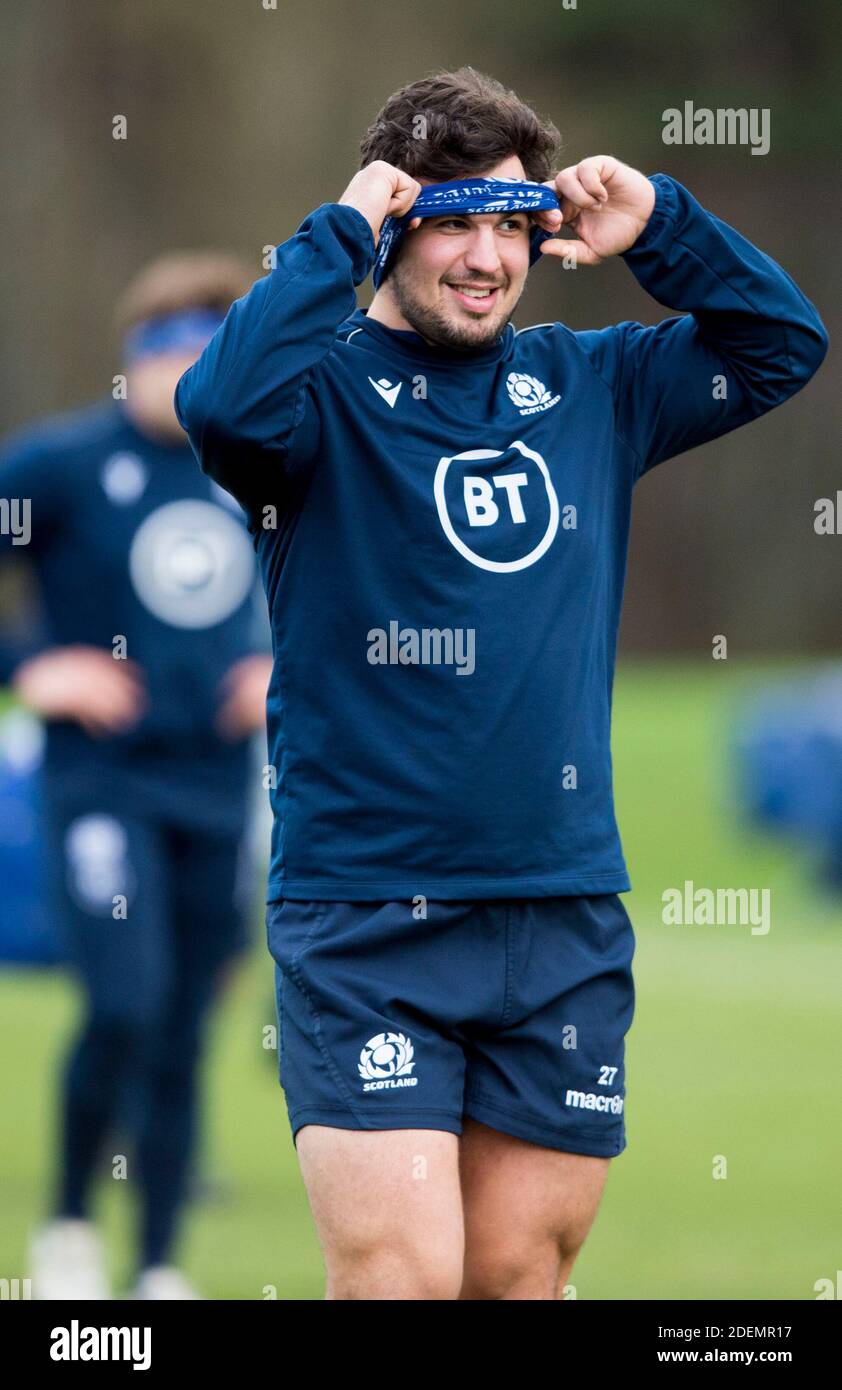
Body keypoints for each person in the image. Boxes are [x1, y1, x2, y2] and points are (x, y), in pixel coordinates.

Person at [174, 67, 828, 1300]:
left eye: (509, 227)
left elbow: (782, 343)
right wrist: (337, 233)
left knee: (516, 1276)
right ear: (393, 226)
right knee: (397, 1281)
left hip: (559, 910)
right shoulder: (311, 402)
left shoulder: (598, 386)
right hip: (368, 913)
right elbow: (218, 403)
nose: (484, 258)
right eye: (451, 222)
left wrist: (666, 228)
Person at [0, 251, 273, 1299]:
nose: (190, 372)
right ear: (134, 361)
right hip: (101, 787)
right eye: (171, 352)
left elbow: (340, 603)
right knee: (123, 1001)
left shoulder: (262, 467)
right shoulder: (62, 466)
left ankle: (158, 1266)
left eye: (214, 351)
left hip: (216, 790)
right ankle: (68, 1221)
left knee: (182, 1029)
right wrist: (34, 666)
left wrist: (277, 671)